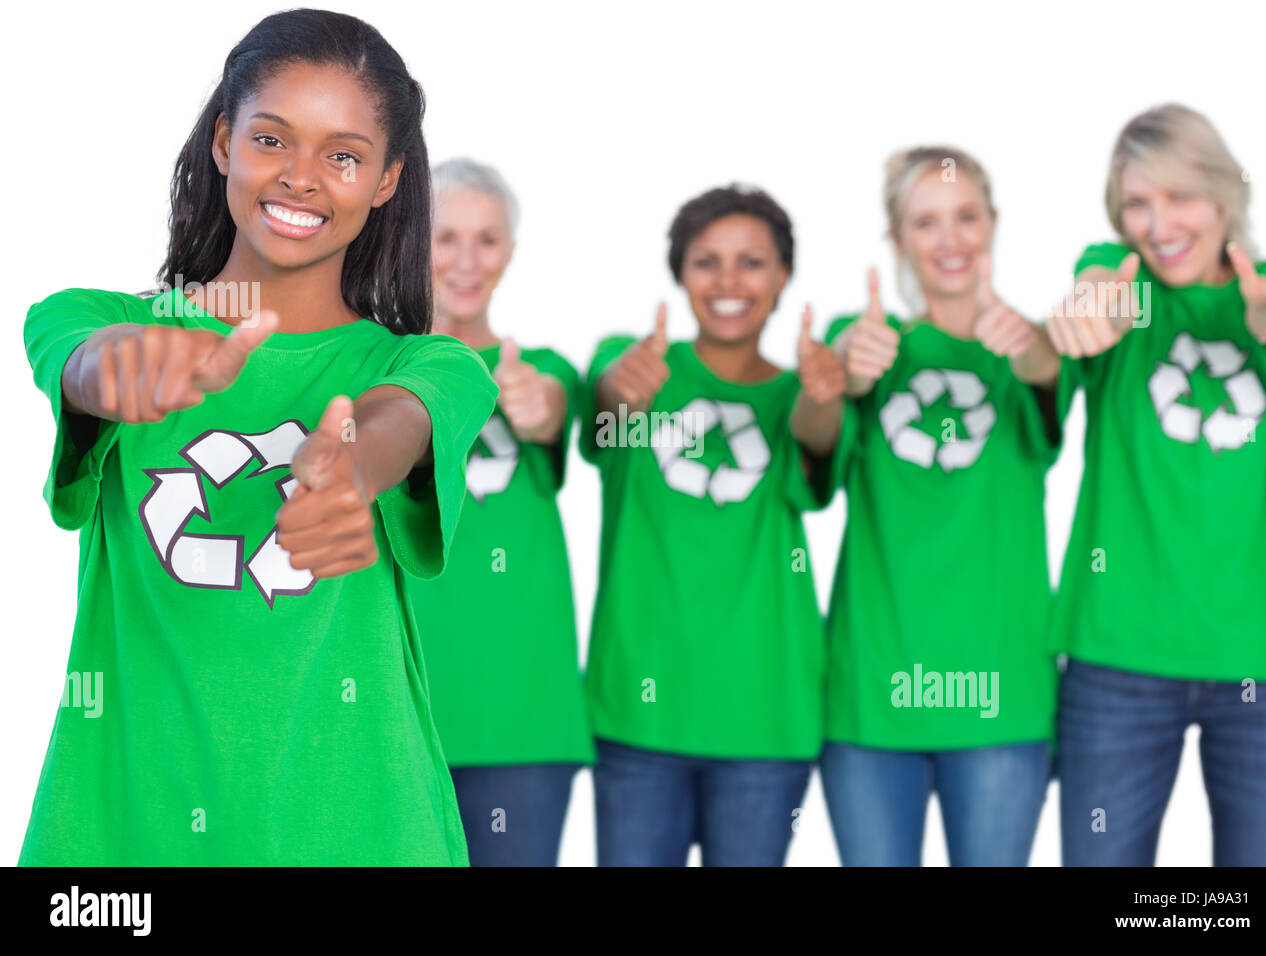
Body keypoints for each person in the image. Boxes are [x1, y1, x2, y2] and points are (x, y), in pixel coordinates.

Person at [18, 9, 496, 865]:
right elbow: (78, 356)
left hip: (362, 830)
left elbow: (400, 420)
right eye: (272, 139)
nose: (303, 178)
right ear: (222, 143)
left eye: (343, 155)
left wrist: (351, 470)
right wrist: (114, 366)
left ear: (386, 180)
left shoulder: (435, 364)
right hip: (125, 832)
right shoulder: (97, 322)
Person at [1046, 104, 1266, 867]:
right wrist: (1090, 304)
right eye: (1137, 203)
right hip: (1118, 656)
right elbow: (1098, 284)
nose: (1159, 224)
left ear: (1225, 199)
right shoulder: (1121, 286)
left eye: (1181, 195)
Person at [797, 146, 1062, 866]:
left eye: (966, 217)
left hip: (999, 698)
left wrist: (1035, 350)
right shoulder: (868, 347)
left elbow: (1048, 384)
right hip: (874, 697)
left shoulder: (1034, 348)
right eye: (926, 222)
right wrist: (838, 379)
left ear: (995, 223)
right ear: (897, 239)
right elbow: (814, 446)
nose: (950, 240)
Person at [580, 184, 854, 866]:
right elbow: (603, 412)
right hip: (640, 708)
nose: (729, 281)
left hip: (765, 715)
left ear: (784, 275)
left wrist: (825, 396)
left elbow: (817, 445)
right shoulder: (633, 362)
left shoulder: (801, 389)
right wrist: (620, 386)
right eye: (707, 261)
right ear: (679, 273)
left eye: (752, 262)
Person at [407, 158, 592, 866]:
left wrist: (535, 406)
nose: (465, 260)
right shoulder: (380, 371)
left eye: (486, 240)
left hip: (523, 722)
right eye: (446, 237)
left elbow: (551, 407)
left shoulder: (541, 366)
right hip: (398, 716)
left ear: (510, 254)